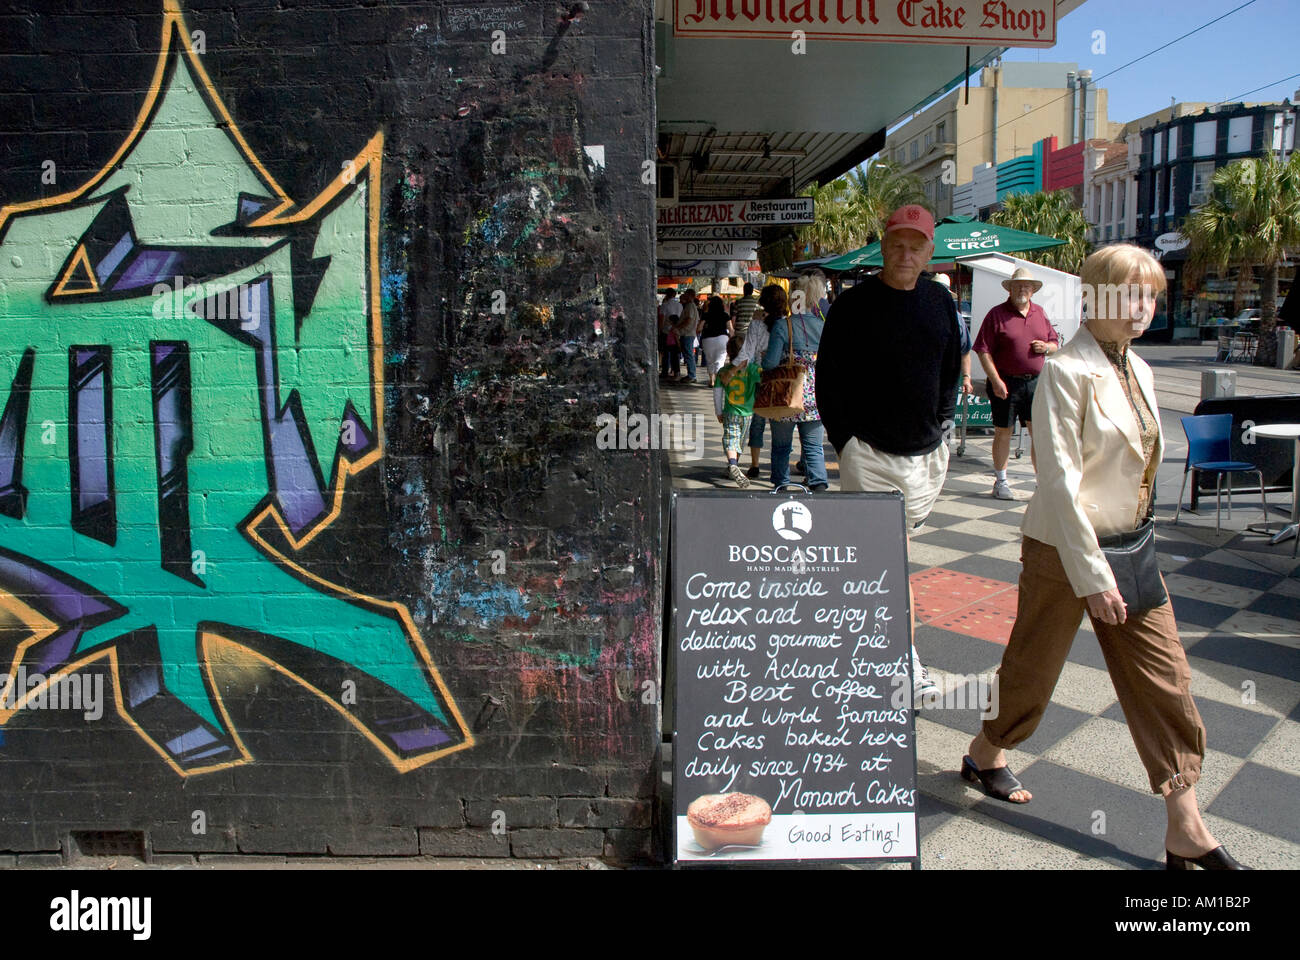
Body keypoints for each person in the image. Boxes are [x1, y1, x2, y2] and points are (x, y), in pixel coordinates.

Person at [962, 244, 1246, 870]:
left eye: (1151, 296)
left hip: (1132, 546)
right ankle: (987, 752)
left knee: (1164, 679)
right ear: (1095, 296)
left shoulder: (1140, 369)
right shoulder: (1064, 372)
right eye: (1132, 295)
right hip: (1064, 547)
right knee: (1033, 669)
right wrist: (1092, 577)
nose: (1144, 308)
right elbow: (1059, 483)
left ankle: (1185, 825)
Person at [816, 204, 962, 702]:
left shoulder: (940, 301)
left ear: (930, 251)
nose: (905, 253)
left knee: (883, 557)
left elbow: (950, 368)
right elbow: (828, 380)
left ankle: (851, 638)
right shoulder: (852, 306)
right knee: (890, 558)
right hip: (870, 455)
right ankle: (905, 659)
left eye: (915, 245)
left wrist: (944, 424)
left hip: (926, 456)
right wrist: (847, 444)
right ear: (883, 246)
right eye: (896, 243)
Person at [972, 266, 1059, 497]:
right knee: (1003, 432)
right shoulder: (996, 314)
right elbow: (983, 350)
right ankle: (1000, 482)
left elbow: (1054, 343)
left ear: (1033, 291)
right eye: (1018, 285)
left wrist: (1047, 348)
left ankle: (1042, 484)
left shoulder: (1040, 313)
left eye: (1026, 286)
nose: (1022, 289)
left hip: (1035, 383)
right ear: (1010, 289)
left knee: (1037, 432)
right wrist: (996, 380)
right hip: (1005, 383)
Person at [762, 272, 828, 492]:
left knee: (781, 447)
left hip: (786, 395)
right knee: (813, 447)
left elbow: (770, 363)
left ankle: (781, 486)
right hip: (815, 396)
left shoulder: (783, 326)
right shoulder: (823, 326)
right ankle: (818, 485)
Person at [738, 284, 782, 479]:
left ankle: (755, 464)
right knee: (779, 425)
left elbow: (747, 351)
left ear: (763, 302)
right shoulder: (786, 324)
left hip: (758, 378)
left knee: (757, 423)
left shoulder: (756, 325)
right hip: (780, 380)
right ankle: (777, 466)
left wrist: (734, 371)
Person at [714, 337, 762, 487]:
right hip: (748, 413)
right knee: (740, 440)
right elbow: (763, 377)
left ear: (729, 353)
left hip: (730, 411)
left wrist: (718, 411)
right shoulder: (753, 369)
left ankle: (733, 465)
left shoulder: (723, 371)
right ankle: (734, 466)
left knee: (730, 439)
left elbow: (717, 393)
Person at [699, 296, 733, 387]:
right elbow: (731, 329)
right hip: (722, 339)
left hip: (708, 339)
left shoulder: (706, 315)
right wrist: (733, 339)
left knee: (710, 360)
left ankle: (712, 381)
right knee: (720, 360)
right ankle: (718, 381)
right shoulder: (725, 315)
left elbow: (699, 328)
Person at [673, 289, 701, 383]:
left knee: (688, 355)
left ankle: (691, 375)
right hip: (688, 333)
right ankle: (691, 374)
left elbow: (688, 319)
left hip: (687, 333)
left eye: (685, 294)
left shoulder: (690, 306)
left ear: (690, 295)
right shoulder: (691, 306)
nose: (684, 296)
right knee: (688, 354)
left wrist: (678, 327)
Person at [658, 289, 682, 380]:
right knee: (675, 353)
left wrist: (660, 330)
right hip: (677, 330)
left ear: (667, 295)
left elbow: (662, 318)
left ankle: (665, 371)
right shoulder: (680, 305)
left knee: (665, 353)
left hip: (666, 331)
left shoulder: (665, 305)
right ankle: (676, 371)